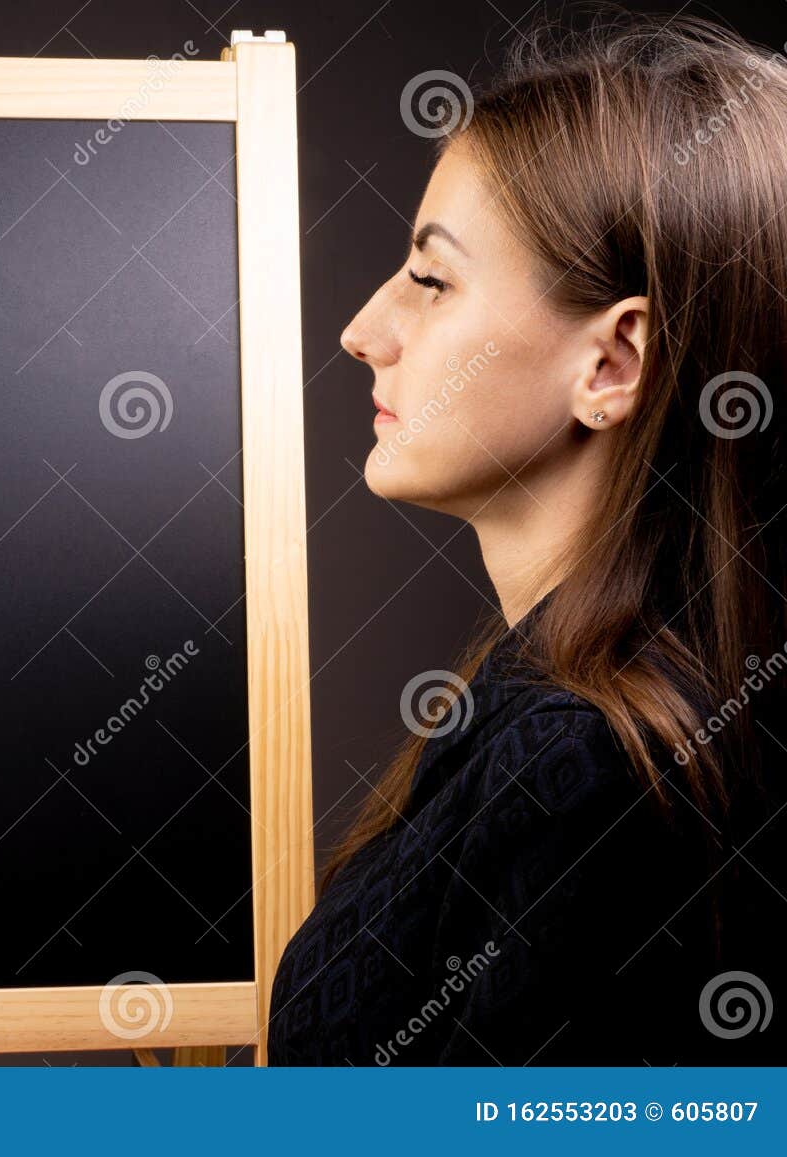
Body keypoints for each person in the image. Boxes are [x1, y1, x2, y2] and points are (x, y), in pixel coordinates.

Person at [268, 7, 787, 1065]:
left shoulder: (584, 777)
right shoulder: (592, 712)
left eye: (430, 278)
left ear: (610, 363)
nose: (362, 330)